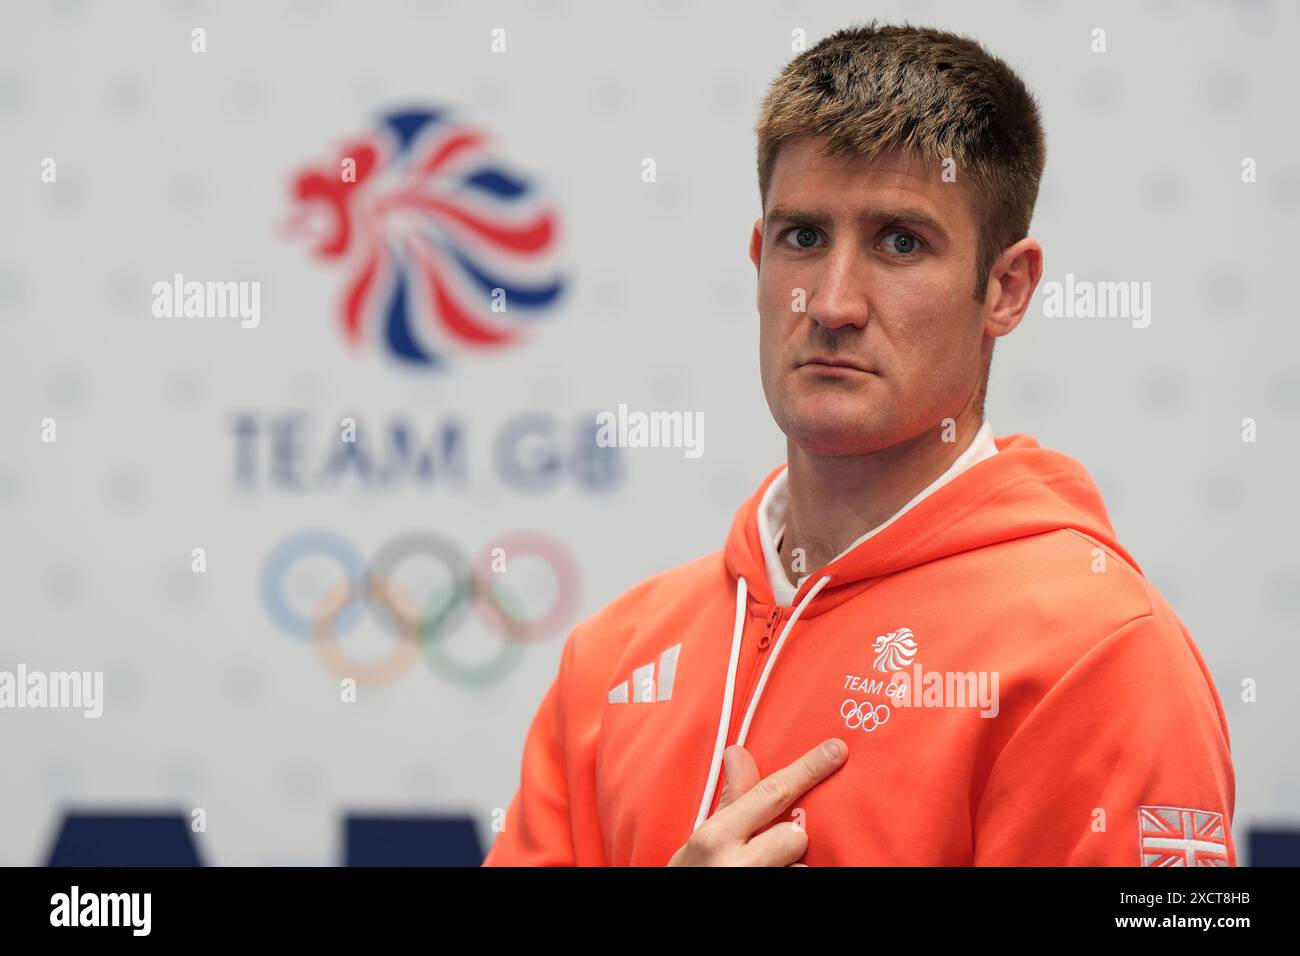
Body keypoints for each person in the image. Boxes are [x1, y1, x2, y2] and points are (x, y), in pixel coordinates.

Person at [483, 21, 1236, 866]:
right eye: (804, 238)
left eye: (900, 243)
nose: (832, 303)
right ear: (759, 258)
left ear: (1007, 289)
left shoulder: (1099, 652)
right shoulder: (615, 657)